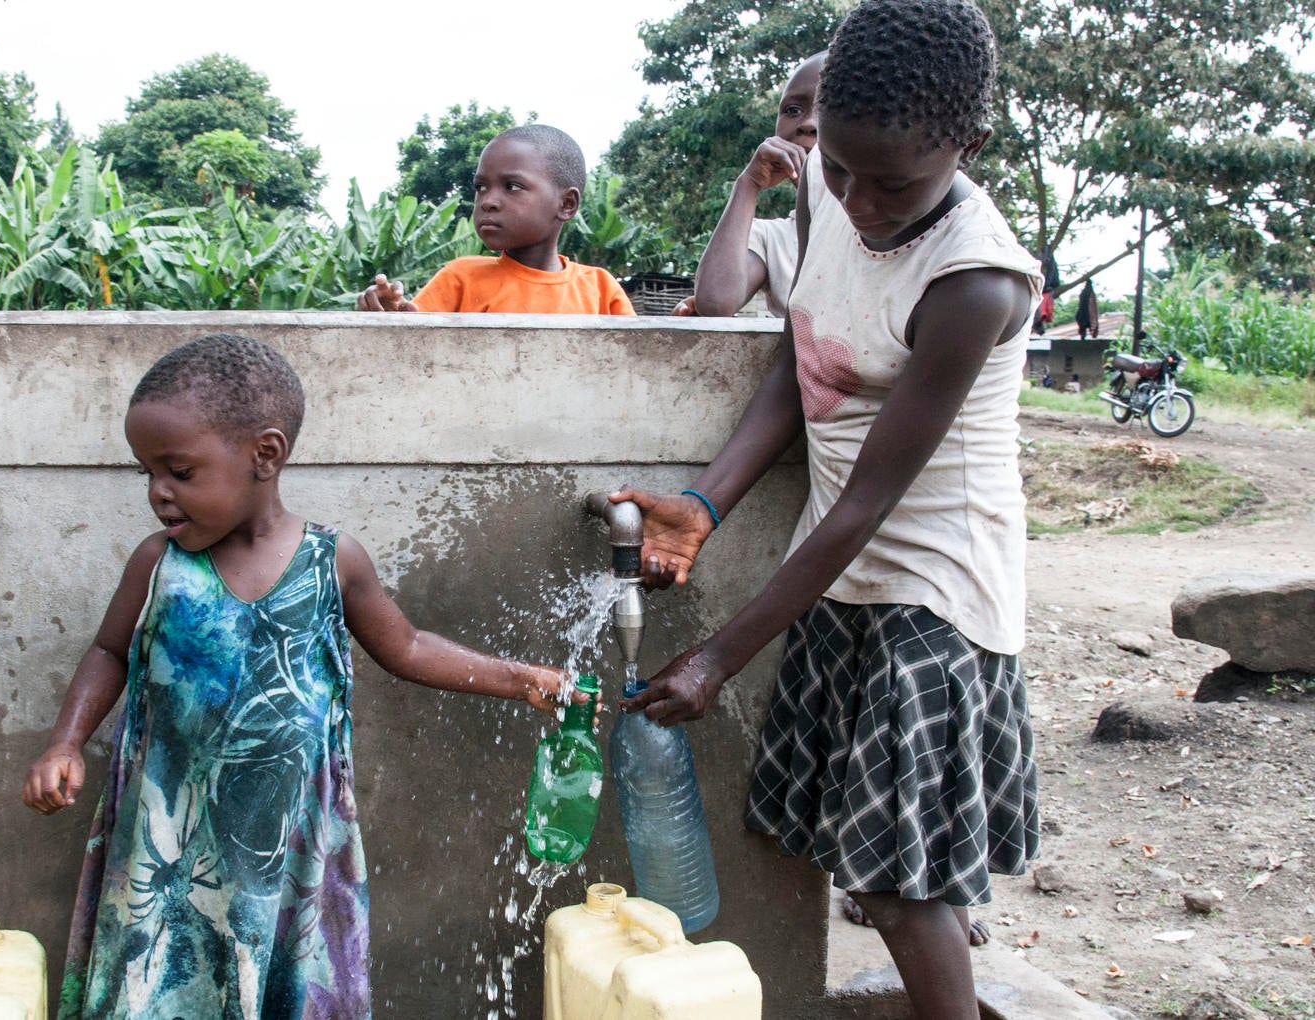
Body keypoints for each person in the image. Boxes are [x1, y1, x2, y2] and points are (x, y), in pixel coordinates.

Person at [612, 1, 1042, 1016]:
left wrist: (720, 654)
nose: (857, 199)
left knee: (899, 883)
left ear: (967, 145)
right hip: (836, 569)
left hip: (935, 579)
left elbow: (866, 502)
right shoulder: (824, 193)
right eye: (839, 167)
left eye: (891, 181)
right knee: (839, 848)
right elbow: (803, 367)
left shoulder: (975, 280)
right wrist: (703, 503)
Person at [23, 334, 584, 1018]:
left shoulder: (332, 562)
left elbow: (406, 647)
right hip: (168, 833)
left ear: (265, 454)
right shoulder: (158, 563)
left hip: (289, 848)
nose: (158, 494)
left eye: (178, 472)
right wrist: (65, 741)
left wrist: (518, 678)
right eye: (147, 473)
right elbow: (110, 651)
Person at [356, 124, 634, 315]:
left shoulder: (599, 288)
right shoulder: (460, 278)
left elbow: (642, 362)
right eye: (480, 187)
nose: (488, 201)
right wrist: (386, 317)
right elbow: (413, 349)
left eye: (512, 186)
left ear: (566, 204)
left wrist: (678, 327)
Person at [672, 51, 826, 318]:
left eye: (828, 108)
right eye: (792, 110)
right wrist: (748, 183)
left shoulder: (894, 229)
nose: (808, 123)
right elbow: (716, 304)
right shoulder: (773, 239)